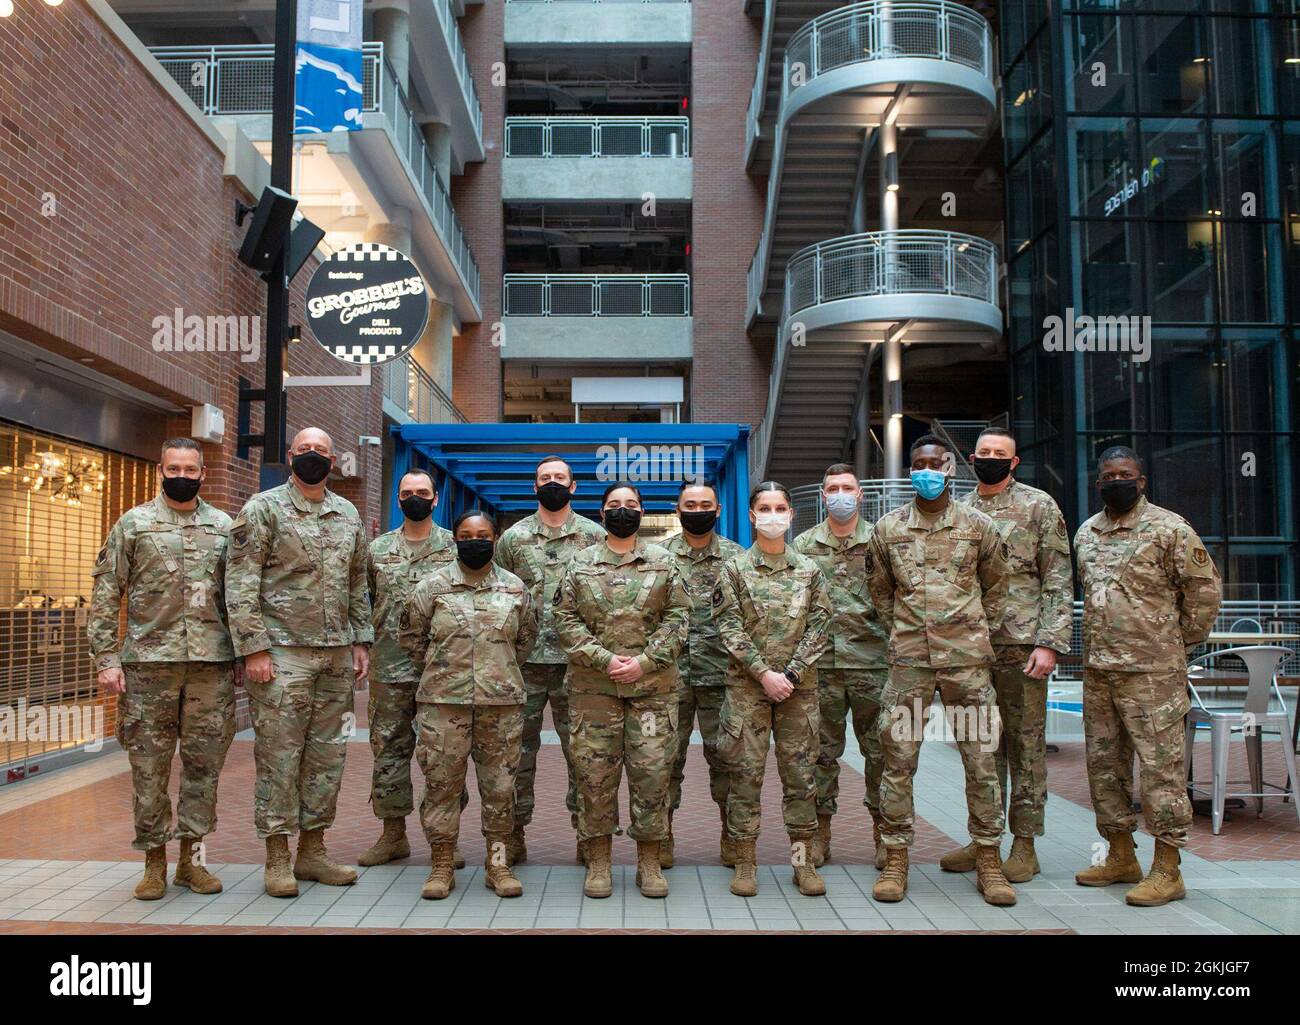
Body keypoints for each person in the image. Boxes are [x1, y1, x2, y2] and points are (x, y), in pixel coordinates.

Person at [865, 435, 1016, 906]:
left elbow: (997, 588)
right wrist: (906, 633)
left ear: (951, 470)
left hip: (966, 666)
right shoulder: (888, 529)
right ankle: (895, 859)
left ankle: (989, 859)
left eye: (935, 463)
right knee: (898, 762)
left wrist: (970, 632)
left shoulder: (979, 525)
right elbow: (881, 593)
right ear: (910, 471)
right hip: (910, 665)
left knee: (981, 761)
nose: (926, 471)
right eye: (918, 464)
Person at [225, 427, 372, 897]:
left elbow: (357, 583)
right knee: (279, 756)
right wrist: (254, 648)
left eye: (322, 452)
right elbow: (241, 582)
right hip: (281, 654)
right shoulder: (262, 509)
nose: (313, 457)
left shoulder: (346, 511)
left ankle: (313, 851)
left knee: (328, 755)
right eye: (305, 450)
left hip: (334, 656)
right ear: (290, 456)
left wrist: (360, 641)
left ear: (333, 461)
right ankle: (276, 857)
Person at [1073, 446, 1221, 906]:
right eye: (1109, 475)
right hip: (1100, 672)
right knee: (1104, 769)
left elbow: (1204, 592)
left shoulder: (1169, 529)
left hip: (1153, 674)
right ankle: (1120, 855)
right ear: (1099, 484)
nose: (1118, 481)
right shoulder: (1087, 533)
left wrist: (1177, 645)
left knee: (1162, 773)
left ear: (1142, 481)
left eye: (1127, 474)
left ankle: (1168, 868)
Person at [88, 438, 235, 900]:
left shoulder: (225, 527)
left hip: (210, 667)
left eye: (191, 469)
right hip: (148, 666)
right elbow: (106, 591)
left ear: (203, 473)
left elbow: (241, 595)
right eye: (174, 467)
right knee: (148, 767)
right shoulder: (134, 523)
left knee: (203, 765)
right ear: (160, 469)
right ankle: (153, 861)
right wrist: (107, 659)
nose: (183, 475)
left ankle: (191, 861)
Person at [939, 428, 1073, 882]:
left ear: (1014, 463)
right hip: (969, 648)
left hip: (1023, 646)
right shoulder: (958, 510)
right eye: (985, 453)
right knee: (980, 747)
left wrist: (1049, 641)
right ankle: (985, 840)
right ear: (971, 458)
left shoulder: (1039, 506)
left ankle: (1025, 844)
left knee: (1025, 745)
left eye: (1002, 454)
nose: (992, 459)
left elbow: (1058, 578)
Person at [553, 483, 690, 899]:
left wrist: (644, 662)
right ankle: (599, 861)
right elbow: (564, 619)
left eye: (631, 505)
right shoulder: (579, 564)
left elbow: (680, 618)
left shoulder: (665, 563)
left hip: (652, 691)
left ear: (642, 512)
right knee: (594, 778)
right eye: (615, 505)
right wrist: (604, 659)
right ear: (601, 512)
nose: (623, 510)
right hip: (594, 691)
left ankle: (649, 861)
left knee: (651, 776)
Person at [399, 510, 539, 900]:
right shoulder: (432, 587)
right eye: (465, 534)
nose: (473, 540)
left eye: (482, 534)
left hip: (501, 706)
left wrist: (497, 670)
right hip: (443, 706)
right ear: (455, 539)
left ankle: (498, 864)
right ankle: (442, 863)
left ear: (496, 539)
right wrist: (443, 670)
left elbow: (525, 639)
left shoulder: (515, 589)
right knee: (442, 787)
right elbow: (411, 637)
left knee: (500, 788)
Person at [714, 481, 832, 898]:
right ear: (751, 515)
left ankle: (802, 863)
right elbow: (728, 625)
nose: (773, 514)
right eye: (765, 508)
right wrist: (764, 673)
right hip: (748, 690)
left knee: (801, 778)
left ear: (791, 514)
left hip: (799, 692)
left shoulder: (810, 570)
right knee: (745, 777)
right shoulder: (734, 569)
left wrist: (792, 674)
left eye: (780, 507)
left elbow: (820, 625)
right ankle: (745, 862)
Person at [494, 455, 605, 865]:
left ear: (574, 487)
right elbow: (498, 594)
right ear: (534, 486)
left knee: (586, 753)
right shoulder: (513, 538)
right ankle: (514, 833)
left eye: (560, 478)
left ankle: (588, 836)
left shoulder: (595, 538)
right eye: (545, 478)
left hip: (579, 666)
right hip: (522, 665)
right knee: (515, 752)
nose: (552, 483)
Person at [359, 469, 457, 868]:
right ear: (398, 499)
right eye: (407, 492)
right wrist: (360, 645)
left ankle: (444, 840)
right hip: (389, 666)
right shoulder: (377, 550)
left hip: (443, 669)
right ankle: (393, 834)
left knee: (444, 756)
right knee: (388, 752)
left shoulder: (456, 547)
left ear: (435, 500)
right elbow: (361, 599)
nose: (414, 498)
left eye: (422, 492)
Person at [793, 464, 890, 870]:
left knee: (883, 753)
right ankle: (819, 836)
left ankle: (886, 836)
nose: (840, 494)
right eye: (832, 488)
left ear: (861, 494)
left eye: (847, 487)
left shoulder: (883, 540)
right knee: (819, 754)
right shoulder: (802, 545)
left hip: (875, 663)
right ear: (822, 494)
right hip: (823, 666)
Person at [663, 480, 744, 867]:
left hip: (721, 679)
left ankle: (732, 837)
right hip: (666, 680)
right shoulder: (657, 556)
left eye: (705, 504)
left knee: (727, 760)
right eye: (690, 504)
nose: (698, 510)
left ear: (718, 509)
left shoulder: (737, 558)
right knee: (662, 762)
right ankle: (659, 838)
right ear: (677, 511)